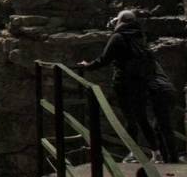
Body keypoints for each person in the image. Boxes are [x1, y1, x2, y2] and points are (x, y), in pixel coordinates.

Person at [77, 9, 180, 162]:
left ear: (121, 21)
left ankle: (134, 153)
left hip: (124, 83)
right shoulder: (140, 37)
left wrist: (87, 66)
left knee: (130, 120)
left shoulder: (118, 36)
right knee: (142, 118)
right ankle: (156, 153)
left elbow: (104, 59)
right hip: (141, 83)